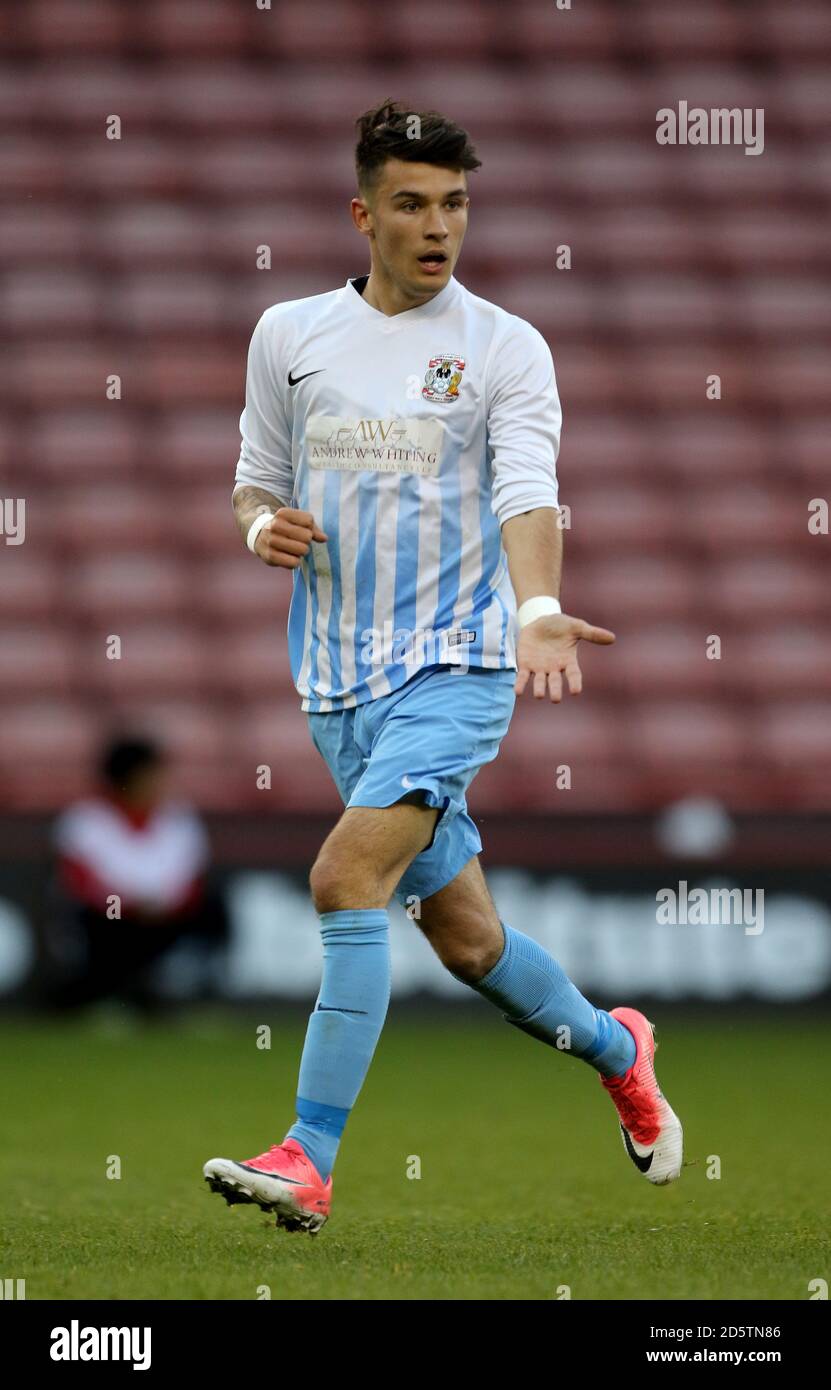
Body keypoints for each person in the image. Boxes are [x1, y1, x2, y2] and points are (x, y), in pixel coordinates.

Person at [203, 101, 682, 1235]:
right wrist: (258, 526)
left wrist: (542, 607)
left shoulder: (506, 346)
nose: (438, 226)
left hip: (459, 668)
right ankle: (620, 1048)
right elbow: (254, 476)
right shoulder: (290, 334)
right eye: (413, 203)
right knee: (466, 941)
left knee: (343, 878)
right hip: (335, 681)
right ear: (361, 213)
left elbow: (527, 487)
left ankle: (308, 1157)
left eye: (455, 203)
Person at [45, 735, 227, 1013]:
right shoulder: (86, 820)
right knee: (99, 926)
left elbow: (194, 880)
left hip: (167, 918)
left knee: (214, 909)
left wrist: (163, 905)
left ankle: (197, 996)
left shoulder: (179, 818)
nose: (161, 782)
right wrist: (129, 905)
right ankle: (102, 997)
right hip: (110, 920)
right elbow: (79, 883)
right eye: (152, 774)